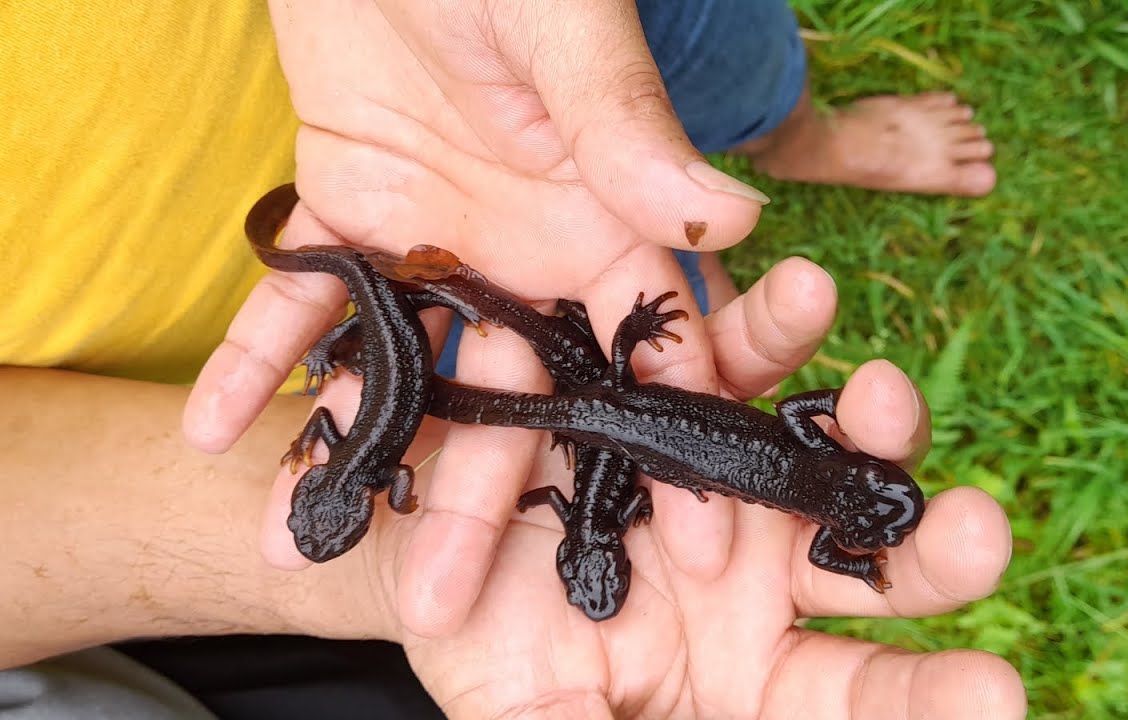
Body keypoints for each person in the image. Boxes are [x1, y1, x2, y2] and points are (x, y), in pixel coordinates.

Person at [0, 1, 1019, 718]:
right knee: (607, 378)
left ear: (846, 496)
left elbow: (790, 425)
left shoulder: (809, 484)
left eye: (869, 508)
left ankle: (788, 128)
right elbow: (763, 433)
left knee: (714, 80)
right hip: (525, 354)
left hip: (439, 107)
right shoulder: (809, 494)